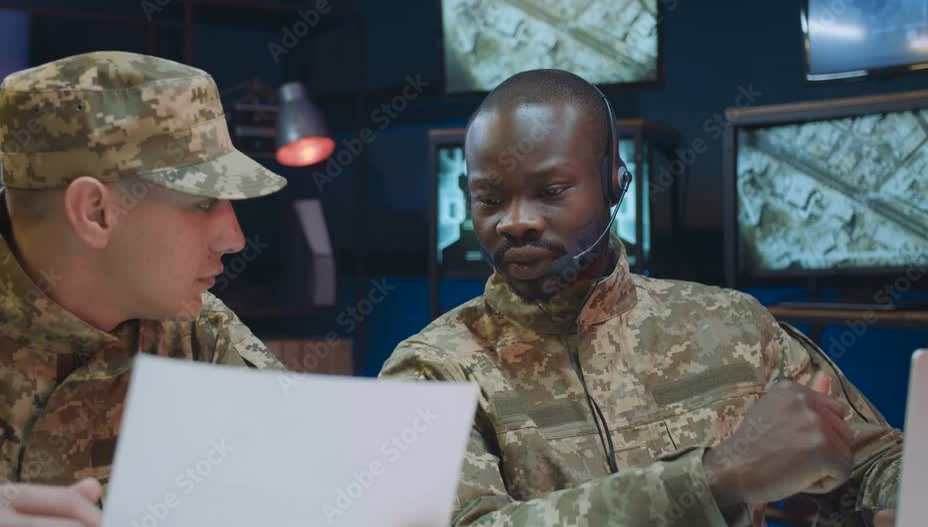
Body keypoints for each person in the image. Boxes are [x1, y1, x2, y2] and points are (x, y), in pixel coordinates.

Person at [380, 69, 903, 526]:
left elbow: (879, 461)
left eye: (550, 191)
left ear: (616, 184)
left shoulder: (732, 325)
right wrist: (719, 476)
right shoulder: (434, 370)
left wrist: (898, 498)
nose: (515, 221)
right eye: (490, 198)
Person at [0, 51, 289, 526]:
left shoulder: (199, 339)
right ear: (94, 212)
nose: (235, 238)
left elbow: (318, 488)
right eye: (204, 203)